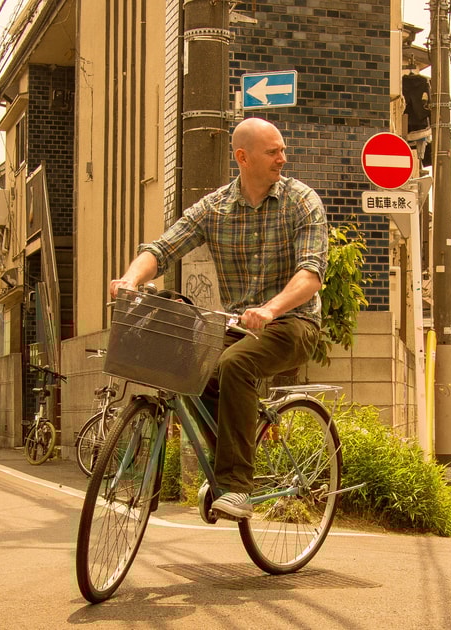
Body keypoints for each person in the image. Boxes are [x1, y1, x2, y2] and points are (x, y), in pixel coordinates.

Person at [109, 117, 328, 520]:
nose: (283, 157)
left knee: (234, 364)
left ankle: (236, 486)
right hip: (239, 325)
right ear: (243, 157)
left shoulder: (301, 200)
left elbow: (310, 273)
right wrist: (130, 278)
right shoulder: (215, 208)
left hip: (294, 322)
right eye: (273, 151)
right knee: (188, 369)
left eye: (282, 149)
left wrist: (271, 308)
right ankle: (232, 459)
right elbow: (162, 247)